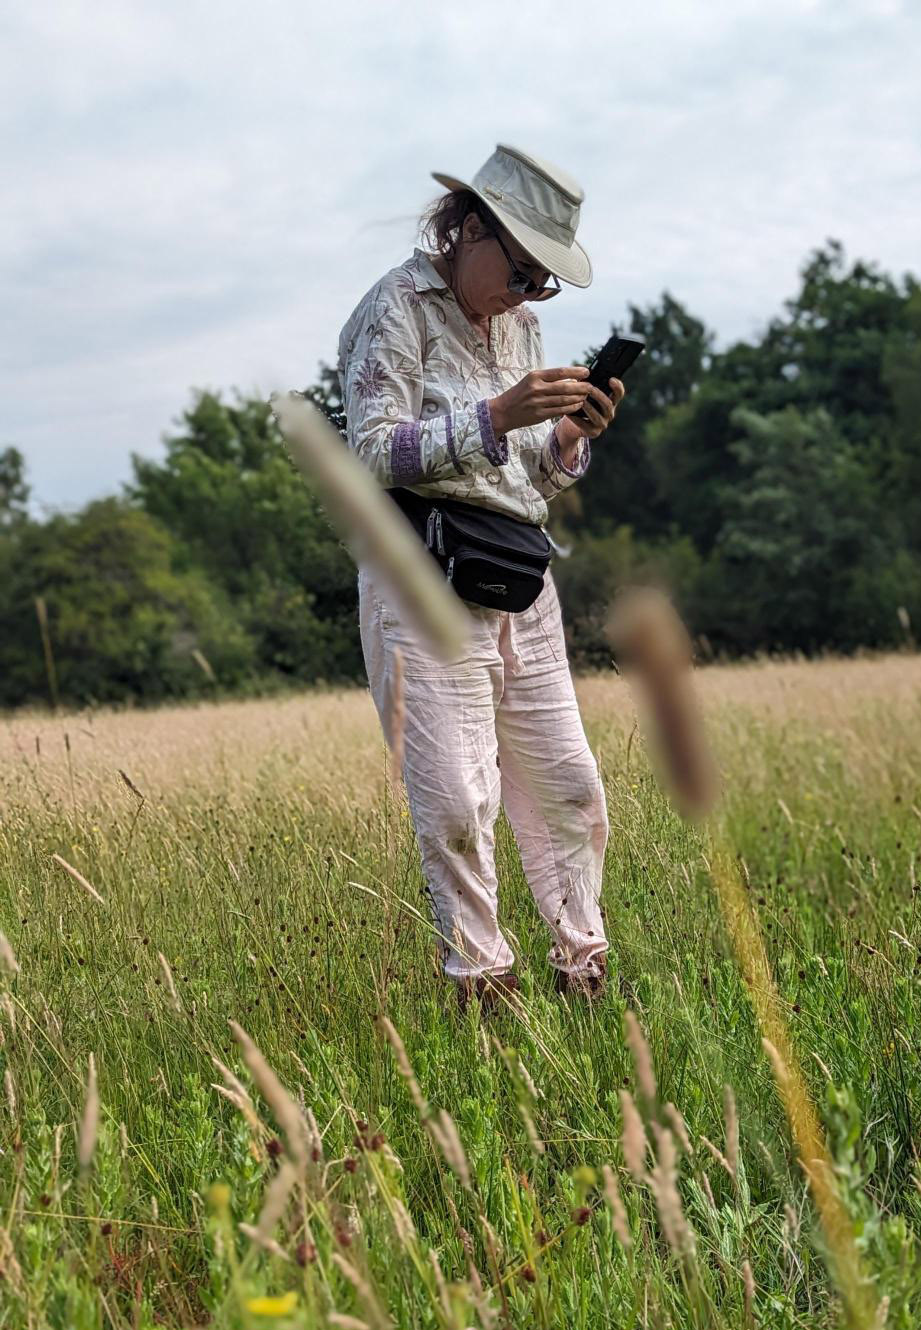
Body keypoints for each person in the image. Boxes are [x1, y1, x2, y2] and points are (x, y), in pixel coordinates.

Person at [337, 144, 624, 1010]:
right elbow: (373, 451)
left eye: (546, 283)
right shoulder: (395, 309)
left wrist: (570, 440)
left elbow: (526, 475)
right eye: (523, 270)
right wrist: (496, 413)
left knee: (572, 790)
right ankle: (484, 989)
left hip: (519, 580)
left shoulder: (522, 329)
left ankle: (583, 973)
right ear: (468, 230)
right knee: (459, 800)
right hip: (424, 578)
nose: (531, 293)